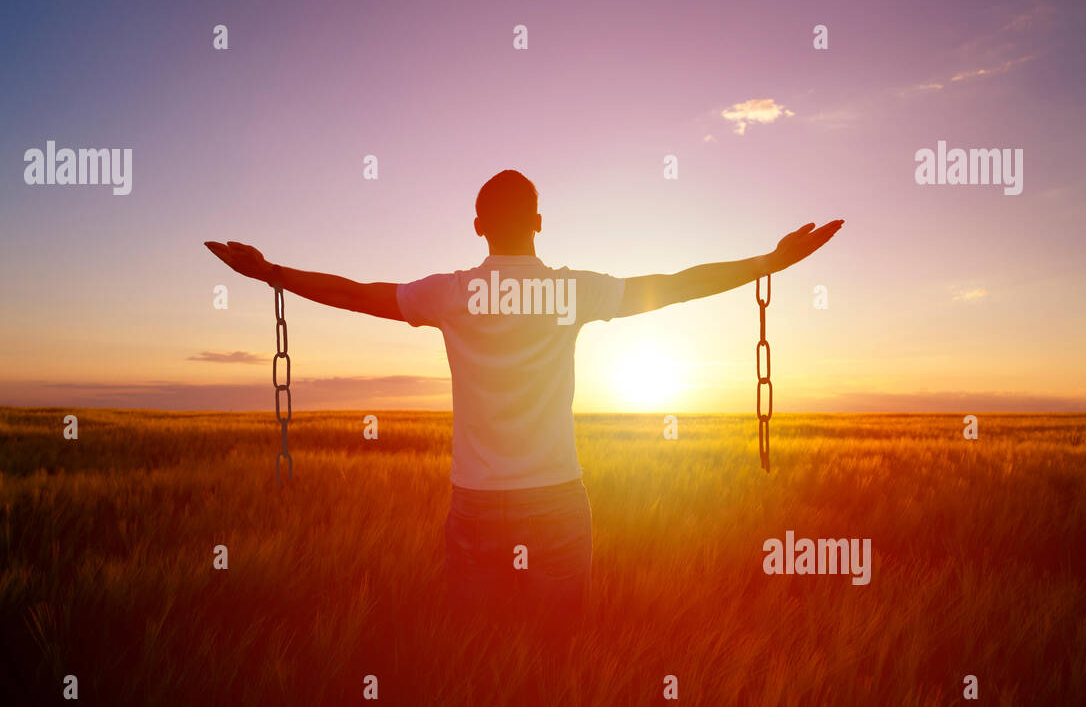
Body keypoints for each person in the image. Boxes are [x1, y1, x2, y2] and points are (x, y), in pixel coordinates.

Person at [206, 169, 842, 628]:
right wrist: (767, 263)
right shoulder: (572, 292)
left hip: (476, 505)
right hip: (558, 501)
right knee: (562, 652)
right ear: (539, 222)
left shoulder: (448, 293)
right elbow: (674, 285)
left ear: (479, 226)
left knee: (473, 655)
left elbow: (357, 292)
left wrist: (272, 273)